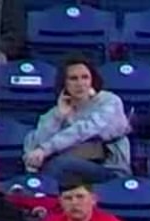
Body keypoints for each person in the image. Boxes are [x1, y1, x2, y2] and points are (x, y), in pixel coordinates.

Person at [23, 55, 133, 183]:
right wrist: (58, 116)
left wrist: (45, 149)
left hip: (109, 170)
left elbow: (84, 130)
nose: (80, 83)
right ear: (64, 83)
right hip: (71, 171)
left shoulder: (109, 101)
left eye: (85, 77)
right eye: (73, 79)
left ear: (92, 80)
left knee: (61, 164)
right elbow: (35, 145)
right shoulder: (57, 111)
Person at [34, 175, 132, 221]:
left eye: (80, 197)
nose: (74, 203)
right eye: (68, 198)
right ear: (60, 201)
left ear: (93, 199)